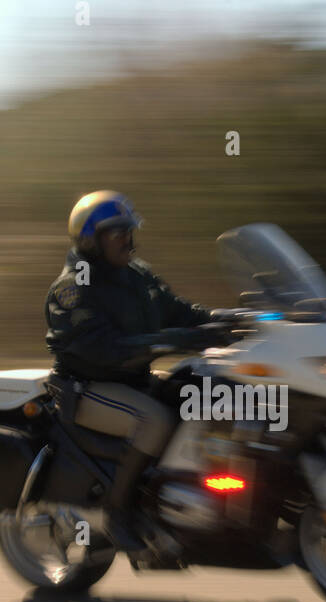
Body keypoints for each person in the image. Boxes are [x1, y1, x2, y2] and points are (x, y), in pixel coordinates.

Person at [44, 190, 216, 551]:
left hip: (133, 380)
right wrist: (164, 341)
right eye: (116, 233)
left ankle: (176, 501)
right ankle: (118, 513)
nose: (127, 239)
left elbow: (179, 310)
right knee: (154, 421)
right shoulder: (73, 288)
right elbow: (103, 350)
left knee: (202, 393)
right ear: (91, 240)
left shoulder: (136, 275)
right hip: (87, 387)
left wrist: (225, 321)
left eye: (129, 231)